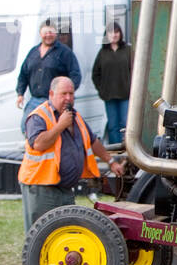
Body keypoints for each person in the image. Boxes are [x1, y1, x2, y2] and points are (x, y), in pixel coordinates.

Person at [19, 76, 124, 230]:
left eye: (71, 94)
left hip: (65, 189)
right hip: (42, 188)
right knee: (41, 235)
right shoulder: (39, 116)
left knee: (63, 234)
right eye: (64, 94)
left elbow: (92, 141)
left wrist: (111, 162)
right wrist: (60, 125)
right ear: (51, 94)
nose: (68, 98)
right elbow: (39, 144)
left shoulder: (75, 116)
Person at [16, 21, 81, 119]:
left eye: (51, 32)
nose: (48, 35)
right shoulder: (33, 52)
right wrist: (20, 94)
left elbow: (75, 75)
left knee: (52, 130)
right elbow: (23, 74)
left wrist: (66, 94)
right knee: (26, 127)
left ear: (56, 34)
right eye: (45, 33)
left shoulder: (65, 52)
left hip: (54, 102)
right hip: (34, 100)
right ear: (40, 34)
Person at [92, 22, 132, 146]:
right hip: (109, 96)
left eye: (116, 32)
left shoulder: (128, 50)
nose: (114, 35)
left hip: (125, 94)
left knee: (125, 124)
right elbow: (95, 74)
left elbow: (135, 70)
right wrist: (101, 89)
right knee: (112, 125)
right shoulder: (102, 53)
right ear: (106, 35)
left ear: (120, 34)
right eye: (111, 32)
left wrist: (131, 87)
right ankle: (116, 151)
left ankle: (127, 149)